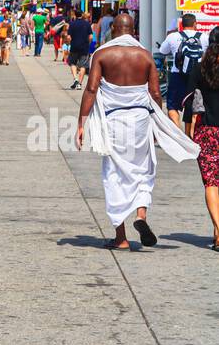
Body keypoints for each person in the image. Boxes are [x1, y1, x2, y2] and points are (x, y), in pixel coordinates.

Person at [76, 14, 198, 250]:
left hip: (114, 122)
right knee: (143, 169)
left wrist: (82, 123)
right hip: (140, 119)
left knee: (114, 175)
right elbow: (155, 95)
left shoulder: (102, 54)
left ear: (113, 29)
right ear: (133, 30)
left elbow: (91, 89)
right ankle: (141, 215)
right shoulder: (144, 56)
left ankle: (121, 238)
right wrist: (156, 123)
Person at [183, 26, 219, 249]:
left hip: (207, 132)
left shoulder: (200, 68)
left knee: (211, 182)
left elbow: (189, 100)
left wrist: (188, 131)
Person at [159, 13, 207, 129]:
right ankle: (190, 135)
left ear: (181, 24)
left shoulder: (173, 36)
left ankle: (179, 133)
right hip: (198, 76)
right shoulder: (204, 36)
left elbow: (162, 51)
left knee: (172, 107)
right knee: (194, 106)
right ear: (195, 24)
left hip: (177, 75)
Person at [66, 11, 92, 91]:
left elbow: (68, 37)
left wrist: (69, 43)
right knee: (83, 66)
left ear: (75, 15)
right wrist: (88, 43)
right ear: (82, 15)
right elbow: (90, 36)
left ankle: (75, 79)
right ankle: (79, 84)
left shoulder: (72, 24)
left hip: (74, 46)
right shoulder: (87, 24)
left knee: (72, 63)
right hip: (84, 47)